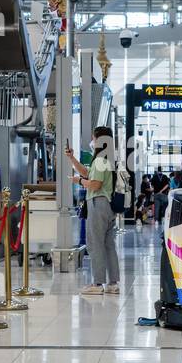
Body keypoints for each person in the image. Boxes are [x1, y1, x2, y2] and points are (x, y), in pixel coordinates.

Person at [66, 126, 120, 296]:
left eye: (94, 138)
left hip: (98, 204)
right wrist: (72, 158)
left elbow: (94, 184)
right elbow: (89, 173)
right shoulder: (108, 160)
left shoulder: (99, 161)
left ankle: (97, 283)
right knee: (109, 245)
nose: (92, 141)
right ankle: (113, 283)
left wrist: (79, 181)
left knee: (95, 244)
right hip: (109, 206)